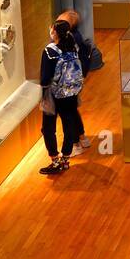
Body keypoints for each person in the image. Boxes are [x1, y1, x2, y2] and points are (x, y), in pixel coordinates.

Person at [39, 20, 85, 176]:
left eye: (51, 29)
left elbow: (45, 79)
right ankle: (65, 159)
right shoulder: (73, 47)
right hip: (71, 93)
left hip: (53, 95)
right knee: (69, 125)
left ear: (55, 33)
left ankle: (55, 160)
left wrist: (44, 94)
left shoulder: (49, 52)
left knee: (48, 128)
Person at [56, 10, 96, 149]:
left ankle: (74, 143)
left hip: (67, 83)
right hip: (74, 81)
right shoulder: (75, 38)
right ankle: (82, 137)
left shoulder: (68, 42)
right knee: (72, 110)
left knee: (68, 113)